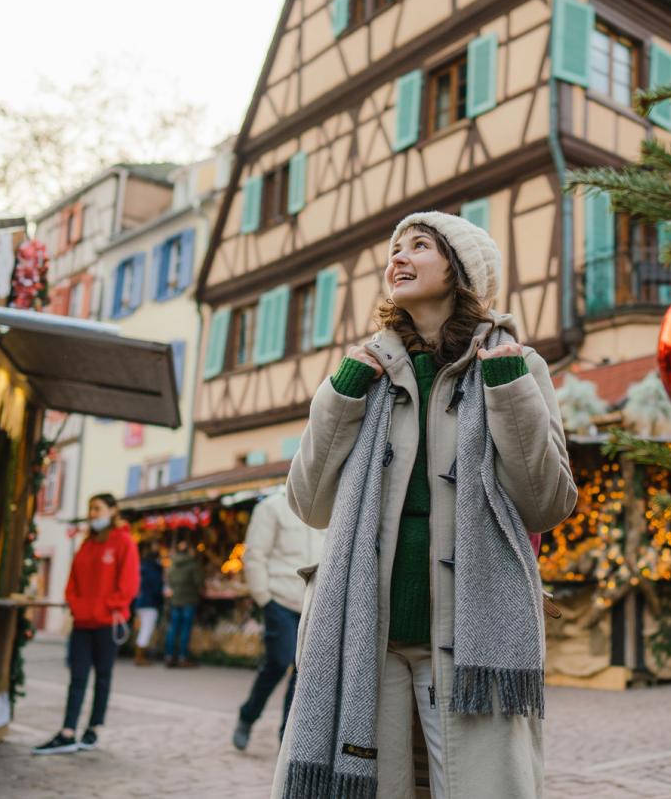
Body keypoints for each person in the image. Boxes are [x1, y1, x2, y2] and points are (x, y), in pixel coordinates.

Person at [273, 212, 576, 798]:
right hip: (367, 629)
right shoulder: (367, 370)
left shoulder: (518, 363)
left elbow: (547, 503)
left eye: (419, 246)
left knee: (472, 787)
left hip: (471, 631)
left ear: (459, 270)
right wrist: (341, 395)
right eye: (394, 249)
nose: (398, 259)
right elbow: (308, 503)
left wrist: (509, 389)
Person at [34, 493, 139, 755]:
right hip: (82, 622)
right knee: (77, 676)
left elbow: (128, 584)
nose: (93, 513)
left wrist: (108, 607)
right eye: (90, 508)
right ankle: (68, 731)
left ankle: (94, 728)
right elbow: (73, 581)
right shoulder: (87, 544)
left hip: (108, 622)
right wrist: (77, 606)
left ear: (113, 511)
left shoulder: (123, 542)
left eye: (98, 508)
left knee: (102, 677)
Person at [232, 486, 325, 751]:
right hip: (280, 600)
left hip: (315, 603)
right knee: (278, 661)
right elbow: (255, 554)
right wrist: (264, 597)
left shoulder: (324, 506)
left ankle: (287, 737)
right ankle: (248, 715)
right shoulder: (272, 506)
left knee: (303, 671)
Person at [164, 536, 203, 668]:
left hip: (175, 600)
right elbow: (199, 582)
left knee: (173, 628)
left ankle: (169, 656)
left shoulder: (172, 564)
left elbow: (168, 580)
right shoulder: (192, 564)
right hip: (188, 599)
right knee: (185, 629)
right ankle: (182, 657)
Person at [133, 541, 165, 666]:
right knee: (146, 629)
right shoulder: (154, 570)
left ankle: (140, 655)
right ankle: (140, 657)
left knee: (143, 629)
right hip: (149, 602)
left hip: (140, 601)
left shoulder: (141, 567)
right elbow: (156, 587)